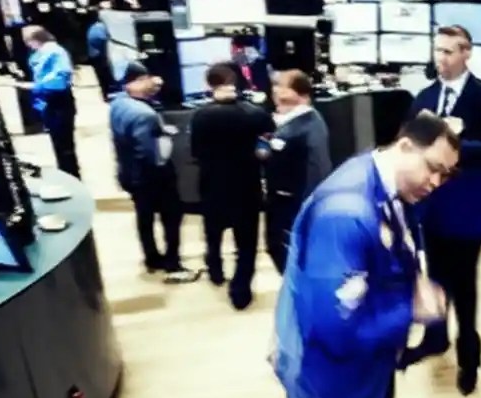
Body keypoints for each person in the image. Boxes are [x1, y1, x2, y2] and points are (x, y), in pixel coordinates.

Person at [272, 114, 457, 398]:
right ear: (405, 146)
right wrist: (410, 308)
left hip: (369, 372)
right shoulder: (347, 213)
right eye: (433, 168)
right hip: (339, 385)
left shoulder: (390, 188)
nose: (436, 183)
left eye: (446, 175)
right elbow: (334, 328)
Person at [401, 24, 481, 395]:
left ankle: (469, 357)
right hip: (431, 209)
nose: (441, 58)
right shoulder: (425, 96)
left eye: (449, 51)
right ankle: (435, 337)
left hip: (466, 210)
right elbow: (410, 146)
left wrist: (459, 145)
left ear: (466, 54)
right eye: (438, 50)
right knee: (434, 277)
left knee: (465, 288)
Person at [189, 63, 275, 309]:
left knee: (213, 234)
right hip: (246, 187)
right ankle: (240, 291)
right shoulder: (255, 113)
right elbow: (268, 144)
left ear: (209, 84)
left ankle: (215, 269)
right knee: (246, 245)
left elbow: (195, 152)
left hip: (212, 185)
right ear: (236, 81)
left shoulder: (200, 117)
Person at [110, 62, 195, 282]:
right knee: (172, 218)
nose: (153, 83)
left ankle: (152, 257)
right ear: (138, 81)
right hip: (153, 179)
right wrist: (164, 138)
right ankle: (173, 265)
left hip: (128, 173)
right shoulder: (144, 115)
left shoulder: (118, 103)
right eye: (148, 78)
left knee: (144, 218)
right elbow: (152, 155)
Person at [265, 70, 332, 273]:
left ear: (302, 94)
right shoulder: (284, 121)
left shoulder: (310, 125)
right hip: (279, 202)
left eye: (283, 87)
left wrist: (310, 208)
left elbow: (318, 169)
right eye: (275, 86)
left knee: (294, 256)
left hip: (295, 204)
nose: (276, 91)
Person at [21, 25, 80, 179]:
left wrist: (36, 86)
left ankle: (72, 177)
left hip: (59, 102)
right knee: (58, 144)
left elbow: (61, 78)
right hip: (48, 102)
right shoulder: (39, 52)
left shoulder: (55, 51)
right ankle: (65, 174)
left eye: (27, 40)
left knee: (65, 146)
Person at [86, 3, 116, 101]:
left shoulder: (98, 26)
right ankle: (107, 94)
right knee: (104, 77)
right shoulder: (100, 27)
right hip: (101, 57)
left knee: (104, 77)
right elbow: (104, 41)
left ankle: (107, 93)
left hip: (99, 56)